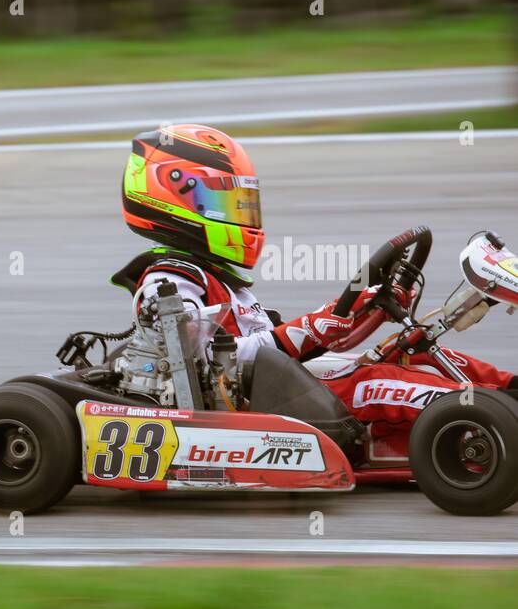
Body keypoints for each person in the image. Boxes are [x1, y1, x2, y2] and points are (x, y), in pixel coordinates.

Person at [115, 123, 514, 433]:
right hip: (255, 404)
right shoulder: (168, 281)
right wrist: (315, 325)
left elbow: (294, 350)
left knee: (415, 349)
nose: (240, 216)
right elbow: (207, 367)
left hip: (285, 385)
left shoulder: (219, 279)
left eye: (242, 204)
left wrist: (366, 306)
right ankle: (497, 424)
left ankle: (509, 394)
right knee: (377, 381)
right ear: (171, 198)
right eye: (222, 202)